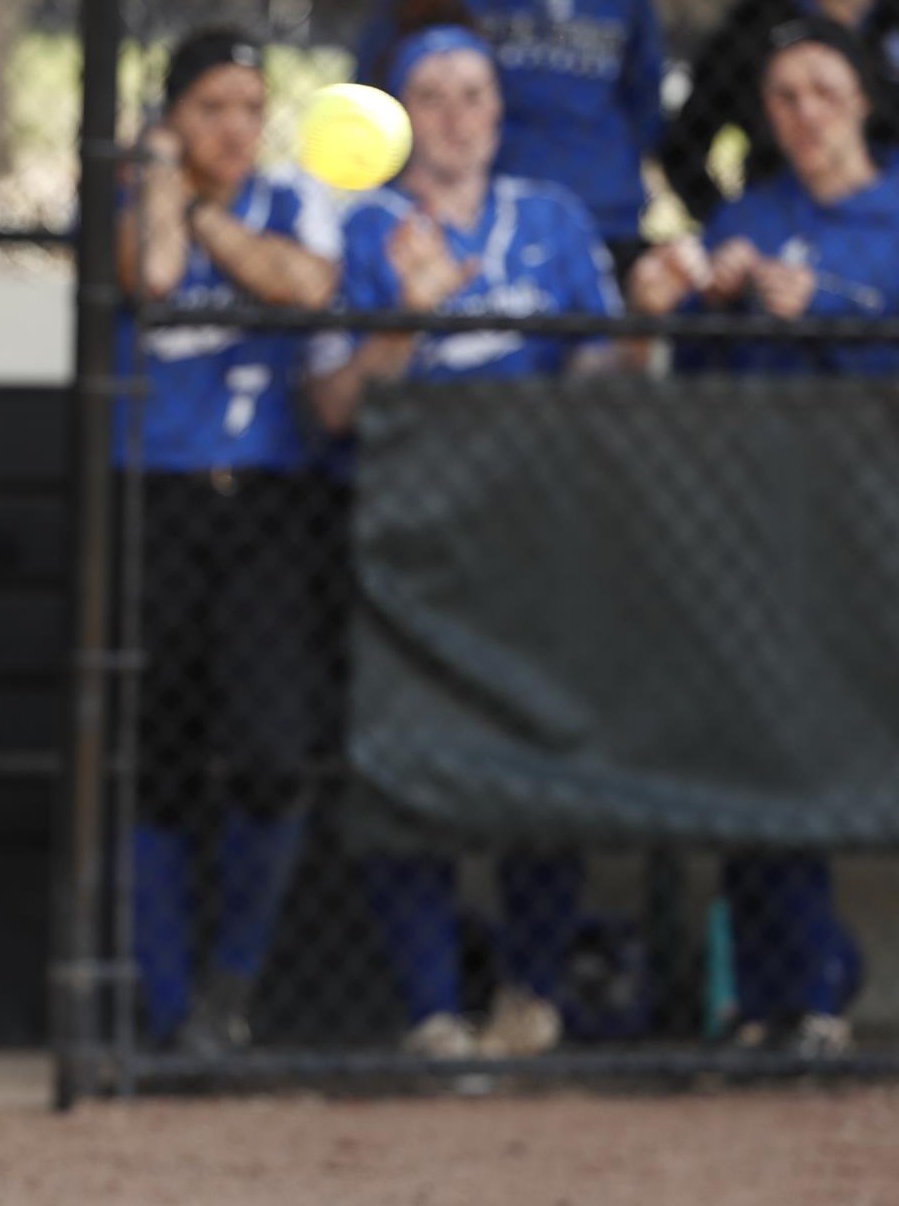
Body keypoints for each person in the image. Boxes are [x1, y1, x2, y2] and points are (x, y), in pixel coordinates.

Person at [308, 25, 640, 1059]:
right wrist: (404, 321)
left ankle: (527, 992)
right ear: (400, 116)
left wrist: (642, 328)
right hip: (404, 544)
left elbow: (604, 382)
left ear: (500, 112)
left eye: (473, 95)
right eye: (433, 97)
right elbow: (328, 405)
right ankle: (429, 1009)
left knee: (539, 759)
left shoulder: (552, 220)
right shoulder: (361, 233)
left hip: (536, 537)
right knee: (408, 768)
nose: (456, 117)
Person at [627, 17, 887, 1054]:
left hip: (874, 533)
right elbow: (697, 382)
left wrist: (833, 311)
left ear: (862, 98)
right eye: (781, 98)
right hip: (767, 537)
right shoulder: (750, 215)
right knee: (762, 760)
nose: (803, 115)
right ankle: (785, 997)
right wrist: (672, 306)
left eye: (822, 91)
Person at [114, 26, 341, 1057]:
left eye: (250, 107)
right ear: (171, 117)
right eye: (211, 108)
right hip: (153, 499)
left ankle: (231, 986)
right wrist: (163, 187)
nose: (235, 128)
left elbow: (299, 285)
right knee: (153, 758)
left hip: (265, 506)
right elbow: (152, 274)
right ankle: (170, 1013)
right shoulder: (130, 202)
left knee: (267, 756)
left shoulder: (292, 198)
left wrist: (201, 208)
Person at [355, 0, 666, 269]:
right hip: (472, 218)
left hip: (604, 213)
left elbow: (645, 96)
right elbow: (380, 83)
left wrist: (609, 169)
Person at [661, 0, 899, 225]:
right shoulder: (754, 28)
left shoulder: (887, 22)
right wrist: (733, 224)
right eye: (787, 96)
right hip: (780, 219)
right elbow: (683, 148)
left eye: (825, 92)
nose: (809, 113)